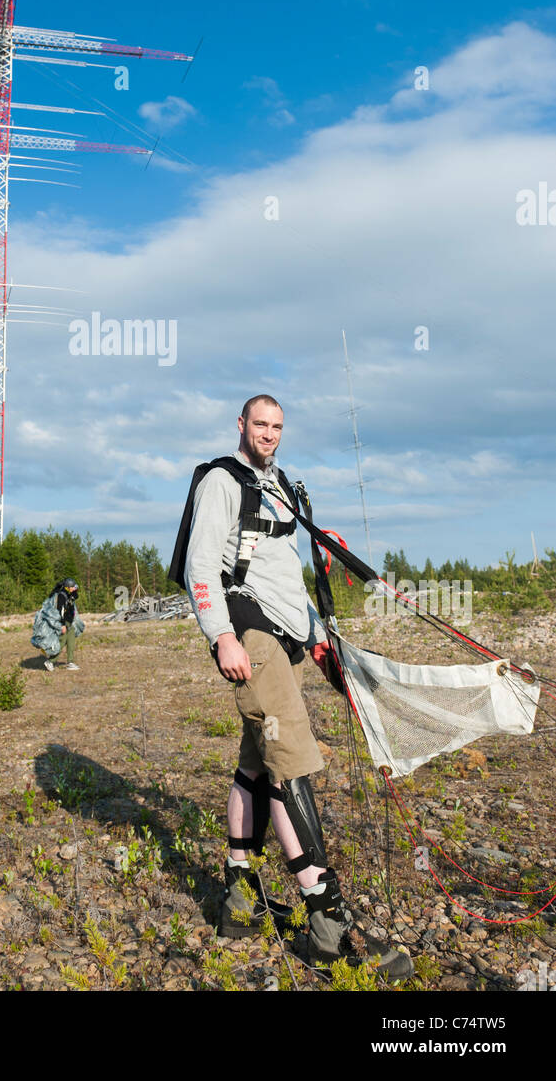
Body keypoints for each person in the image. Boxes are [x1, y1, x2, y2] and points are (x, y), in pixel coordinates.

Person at [180, 394, 411, 978]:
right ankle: (327, 918)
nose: (269, 434)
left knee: (256, 766)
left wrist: (315, 637)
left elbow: (285, 575)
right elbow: (200, 566)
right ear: (241, 425)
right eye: (260, 424)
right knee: (292, 764)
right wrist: (221, 637)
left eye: (278, 427)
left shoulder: (282, 485)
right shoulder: (221, 481)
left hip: (284, 635)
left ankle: (237, 896)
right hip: (249, 635)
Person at [31, 578, 83, 671]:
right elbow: (61, 611)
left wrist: (75, 591)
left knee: (71, 641)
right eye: (72, 587)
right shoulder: (62, 596)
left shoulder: (69, 593)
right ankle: (50, 661)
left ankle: (70, 662)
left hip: (70, 622)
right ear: (67, 587)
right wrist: (62, 625)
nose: (74, 588)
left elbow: (75, 596)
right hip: (63, 622)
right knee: (62, 642)